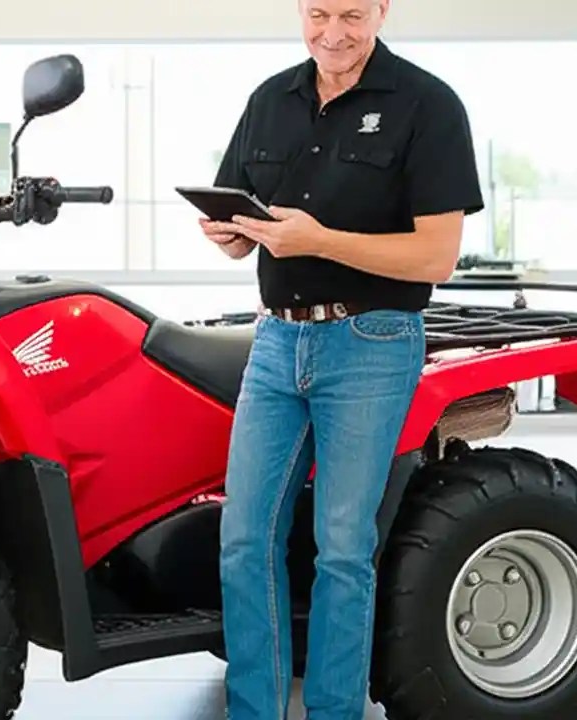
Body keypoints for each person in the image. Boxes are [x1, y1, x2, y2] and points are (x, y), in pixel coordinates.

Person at [201, 1, 484, 718]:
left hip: (371, 344)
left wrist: (321, 241)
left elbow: (436, 256)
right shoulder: (270, 100)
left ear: (383, 8)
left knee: (343, 551)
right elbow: (251, 226)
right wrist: (232, 234)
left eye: (353, 14)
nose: (333, 32)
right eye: (318, 12)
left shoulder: (428, 104)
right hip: (275, 342)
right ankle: (254, 711)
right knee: (242, 541)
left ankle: (333, 712)